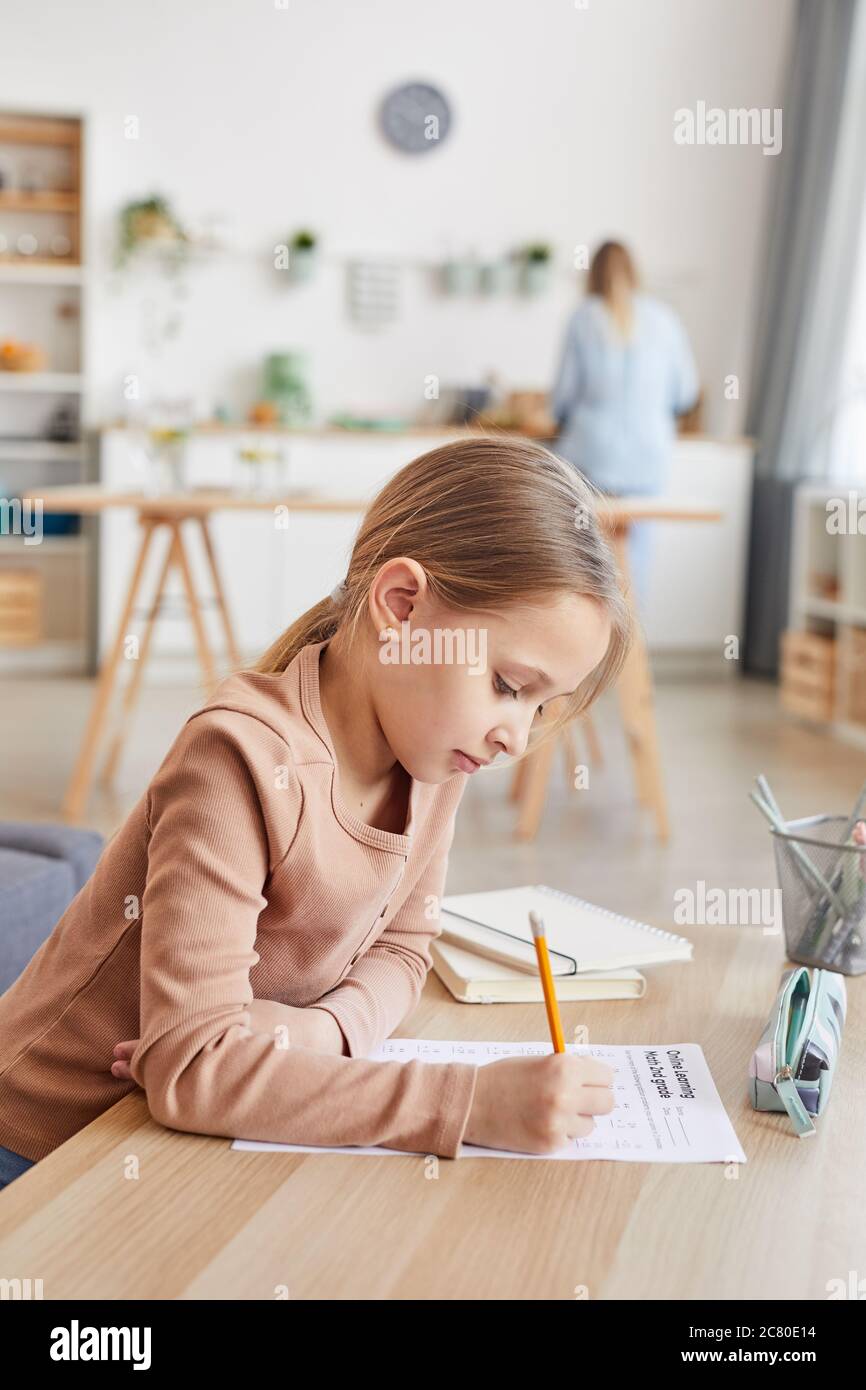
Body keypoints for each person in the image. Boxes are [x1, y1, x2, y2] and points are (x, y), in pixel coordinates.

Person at [0, 437, 635, 1187]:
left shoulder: (434, 752)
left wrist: (324, 1029)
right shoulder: (236, 758)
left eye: (540, 705)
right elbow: (195, 1069)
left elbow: (404, 949)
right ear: (401, 608)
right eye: (506, 684)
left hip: (187, 1143)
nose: (516, 737)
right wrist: (467, 1104)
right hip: (49, 1150)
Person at [550, 240, 699, 614]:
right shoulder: (664, 319)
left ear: (593, 274)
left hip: (590, 457)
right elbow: (686, 392)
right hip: (648, 458)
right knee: (636, 559)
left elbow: (563, 398)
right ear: (635, 271)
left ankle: (586, 653)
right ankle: (629, 649)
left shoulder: (584, 318)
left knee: (582, 556)